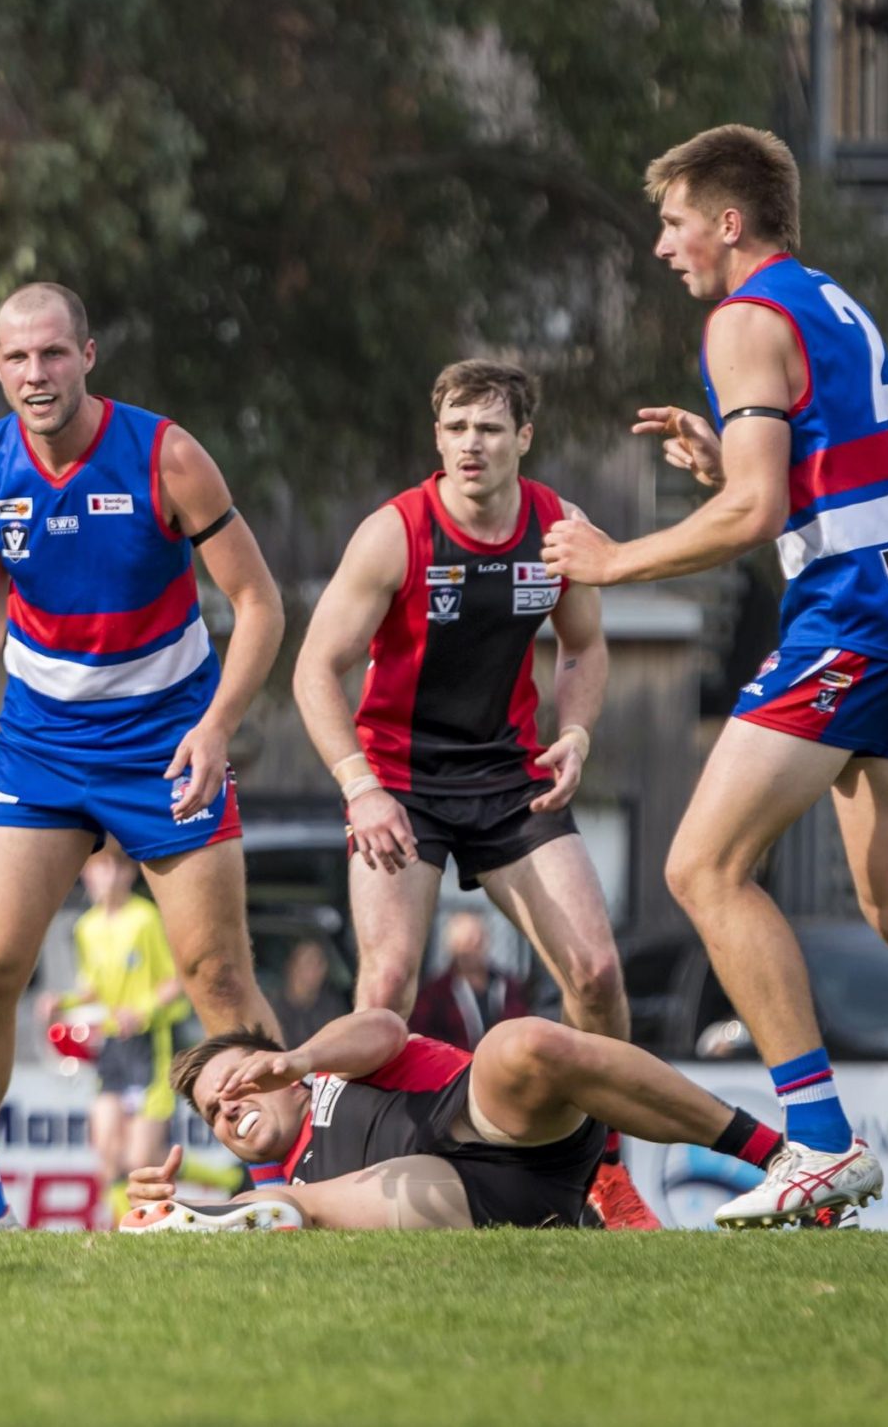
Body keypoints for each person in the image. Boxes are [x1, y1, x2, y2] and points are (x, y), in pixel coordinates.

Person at [541, 124, 888, 1231]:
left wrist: (613, 559)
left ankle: (820, 1144)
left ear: (728, 222)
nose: (661, 244)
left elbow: (755, 512)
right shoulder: (832, 303)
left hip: (853, 611)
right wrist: (735, 450)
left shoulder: (738, 318)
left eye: (675, 221)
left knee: (702, 865)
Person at [0, 283, 288, 1232]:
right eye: (16, 358)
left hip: (167, 740)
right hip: (40, 744)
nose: (36, 375)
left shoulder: (167, 455)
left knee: (218, 977)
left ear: (87, 355)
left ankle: (286, 1189)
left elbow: (261, 604)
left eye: (53, 354)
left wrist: (217, 726)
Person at [291, 357, 653, 1228]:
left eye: (489, 428)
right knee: (384, 985)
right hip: (400, 784)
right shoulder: (396, 533)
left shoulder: (558, 527)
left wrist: (576, 731)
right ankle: (330, 1174)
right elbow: (314, 667)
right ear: (437, 438)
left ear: (523, 438)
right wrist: (359, 789)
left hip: (506, 778)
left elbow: (586, 646)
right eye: (455, 429)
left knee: (597, 974)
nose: (470, 445)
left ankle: (603, 1172)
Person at [126, 1009, 791, 1232]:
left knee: (524, 1044)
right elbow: (268, 1205)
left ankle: (779, 1157)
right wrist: (167, 1207)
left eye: (235, 1084)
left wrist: (302, 1056)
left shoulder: (330, 1066)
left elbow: (384, 1028)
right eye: (214, 1112)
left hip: (490, 1123)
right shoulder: (282, 1182)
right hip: (459, 1197)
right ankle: (186, 1227)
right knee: (274, 1207)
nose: (229, 1108)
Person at [41, 846, 187, 1224]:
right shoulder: (86, 926)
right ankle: (124, 1229)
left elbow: (176, 980)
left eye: (112, 868)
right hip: (112, 1049)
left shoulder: (145, 919)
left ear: (128, 874)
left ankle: (206, 1189)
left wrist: (142, 1012)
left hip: (148, 1045)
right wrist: (64, 1002)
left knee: (141, 1158)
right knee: (107, 1146)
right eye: (96, 869)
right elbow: (91, 989)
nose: (103, 877)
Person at [406, 911, 528, 1050]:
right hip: (458, 1066)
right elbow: (426, 1038)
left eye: (476, 943)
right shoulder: (436, 994)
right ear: (452, 947)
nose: (470, 951)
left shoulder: (508, 986)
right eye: (463, 944)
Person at [269, 939, 345, 1049]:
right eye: (309, 962)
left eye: (320, 963)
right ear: (293, 967)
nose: (316, 969)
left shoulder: (332, 1007)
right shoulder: (272, 1007)